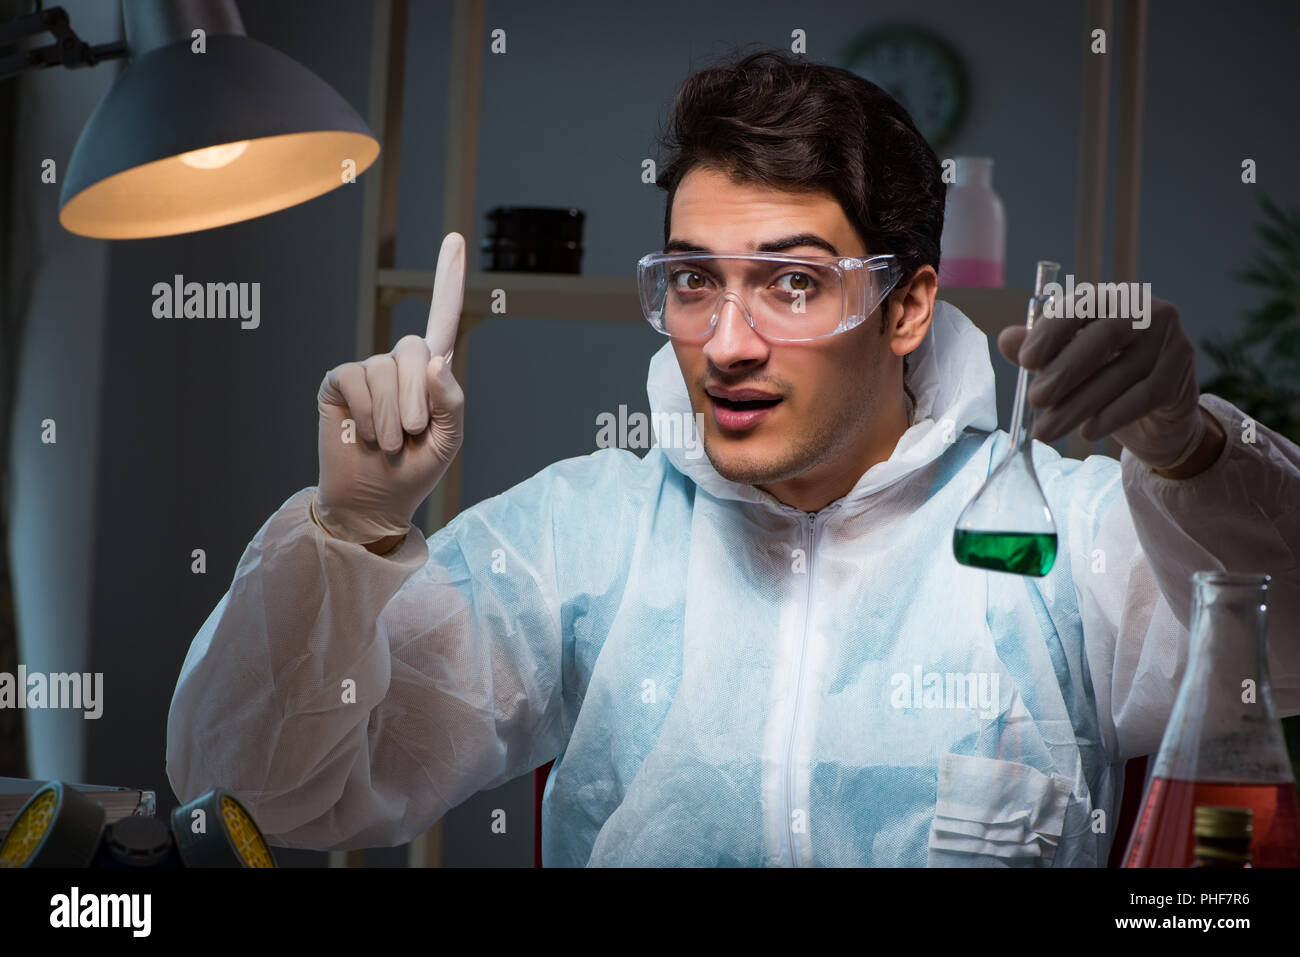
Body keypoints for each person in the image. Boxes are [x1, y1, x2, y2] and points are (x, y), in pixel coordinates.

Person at [166, 49, 1300, 866]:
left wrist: (1185, 446)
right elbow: (267, 793)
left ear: (904, 308)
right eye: (695, 280)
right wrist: (350, 530)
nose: (728, 340)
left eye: (792, 282)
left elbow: (1285, 654)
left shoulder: (1062, 530)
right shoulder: (580, 534)